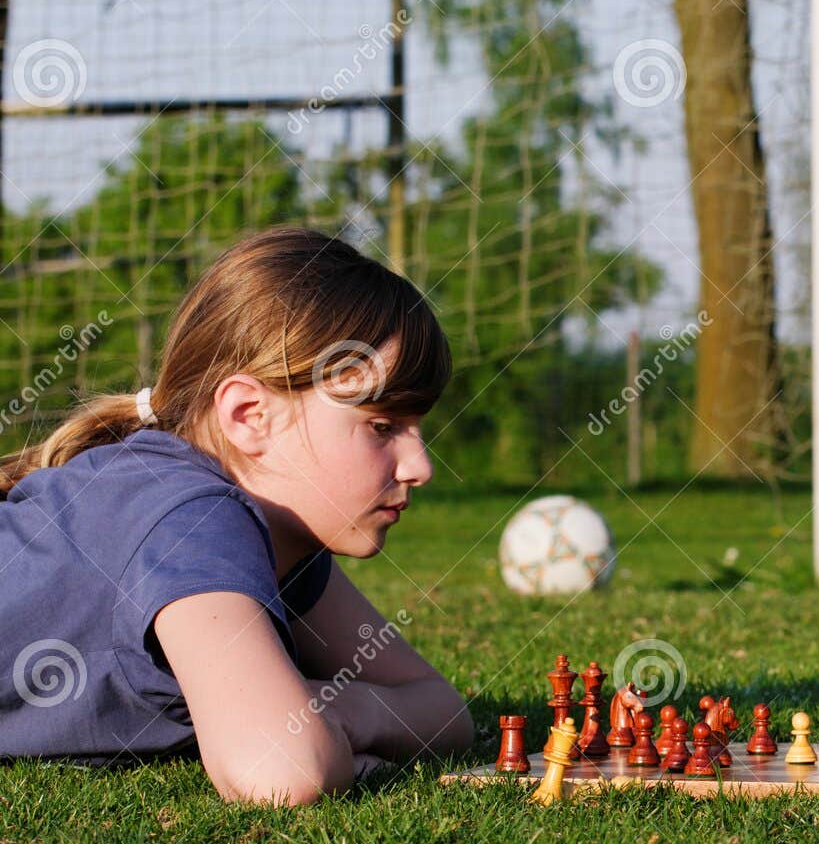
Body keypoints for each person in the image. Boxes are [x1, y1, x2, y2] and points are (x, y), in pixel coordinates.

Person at [0, 226, 473, 805]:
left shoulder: (280, 537)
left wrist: (344, 706)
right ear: (250, 416)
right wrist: (324, 719)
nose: (419, 466)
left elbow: (444, 711)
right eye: (382, 427)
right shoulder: (192, 519)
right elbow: (281, 770)